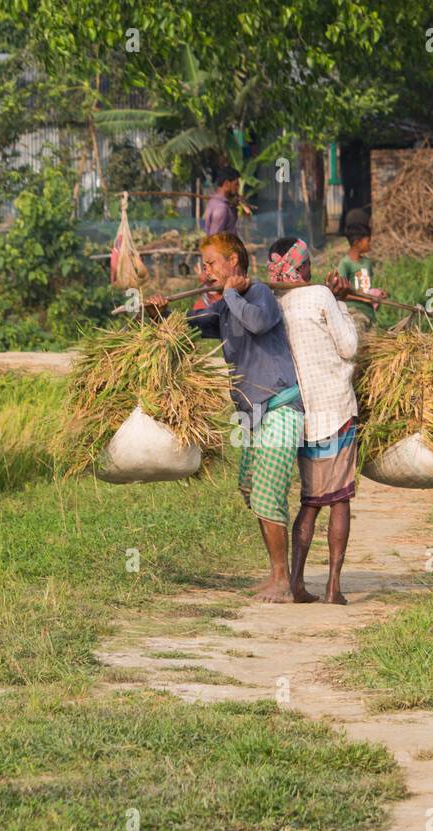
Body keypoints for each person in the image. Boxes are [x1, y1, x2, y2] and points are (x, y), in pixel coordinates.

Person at [145, 232, 302, 604]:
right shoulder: (222, 307)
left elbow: (259, 323)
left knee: (267, 493)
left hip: (280, 407)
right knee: (251, 490)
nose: (205, 272)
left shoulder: (259, 293)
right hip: (249, 415)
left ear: (234, 261)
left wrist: (230, 293)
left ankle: (282, 581)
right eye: (203, 266)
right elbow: (186, 331)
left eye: (211, 263)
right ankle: (276, 574)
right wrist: (160, 316)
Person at [268, 237, 360, 605]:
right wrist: (343, 302)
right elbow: (349, 347)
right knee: (339, 500)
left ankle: (296, 583)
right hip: (336, 409)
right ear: (303, 267)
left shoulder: (276, 306)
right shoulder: (321, 296)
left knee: (310, 500)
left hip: (304, 416)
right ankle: (333, 588)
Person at [330, 212, 386, 329]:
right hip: (354, 313)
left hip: (369, 313)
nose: (370, 244)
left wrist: (376, 294)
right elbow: (342, 294)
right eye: (368, 241)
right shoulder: (345, 264)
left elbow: (367, 288)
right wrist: (364, 298)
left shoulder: (367, 263)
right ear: (357, 243)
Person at [202, 168, 242, 236]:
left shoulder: (213, 201)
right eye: (236, 184)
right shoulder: (221, 208)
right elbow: (215, 239)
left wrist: (233, 207)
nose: (238, 187)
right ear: (226, 183)